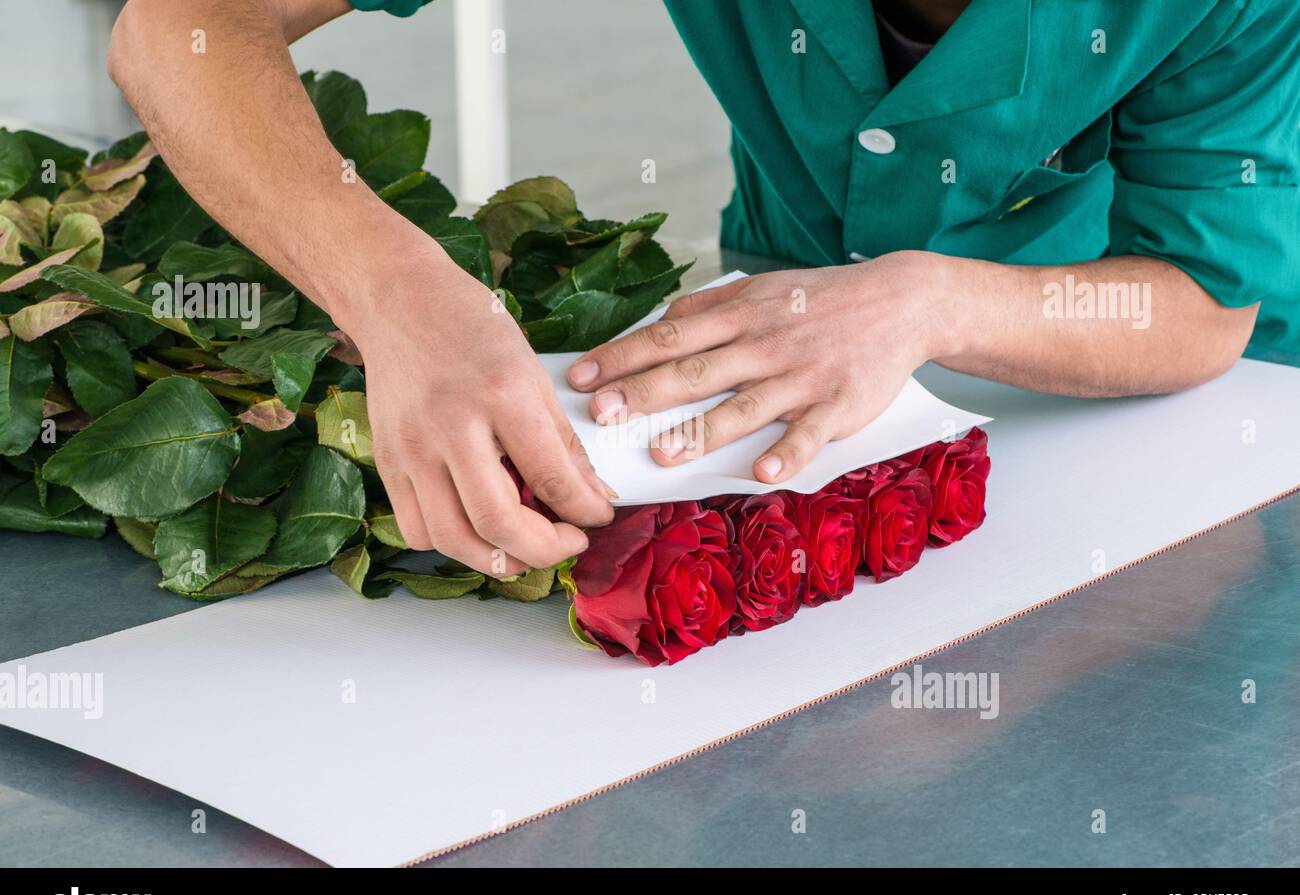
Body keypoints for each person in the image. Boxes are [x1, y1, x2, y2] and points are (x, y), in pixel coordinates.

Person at [106, 0, 1300, 577]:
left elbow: (1201, 299)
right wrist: (396, 291)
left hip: (1137, 407)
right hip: (769, 339)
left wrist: (927, 302)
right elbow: (183, 28)